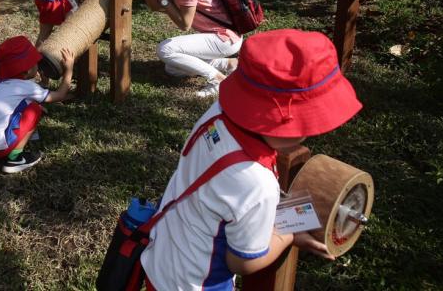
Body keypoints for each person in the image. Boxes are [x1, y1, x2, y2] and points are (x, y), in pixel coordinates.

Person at [139, 29, 362, 290]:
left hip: (163, 256)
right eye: (307, 122)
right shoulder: (257, 184)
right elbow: (242, 263)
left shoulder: (218, 112)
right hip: (197, 283)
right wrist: (286, 235)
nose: (312, 131)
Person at [0, 36, 74, 173]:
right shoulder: (26, 86)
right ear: (27, 70)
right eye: (35, 62)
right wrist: (69, 70)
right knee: (35, 110)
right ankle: (15, 159)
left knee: (30, 105)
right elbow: (59, 95)